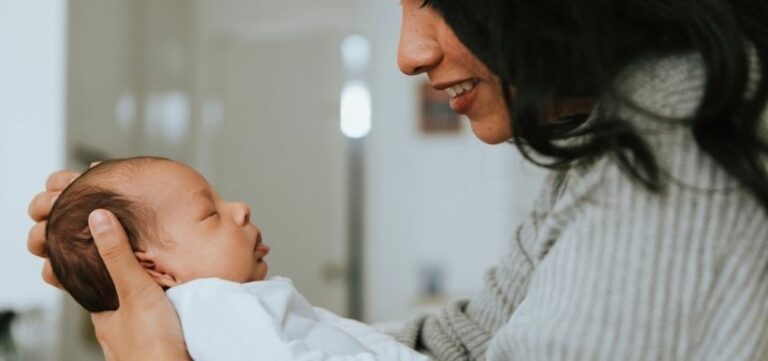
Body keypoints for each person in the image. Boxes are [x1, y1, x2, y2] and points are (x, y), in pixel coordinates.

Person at [28, 0, 768, 360]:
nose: (408, 52)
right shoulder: (615, 136)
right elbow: (466, 339)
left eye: (435, 1)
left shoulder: (682, 129)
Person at [45, 156, 428, 361]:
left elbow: (345, 335)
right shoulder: (209, 306)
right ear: (153, 268)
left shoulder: (229, 302)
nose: (241, 208)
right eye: (210, 213)